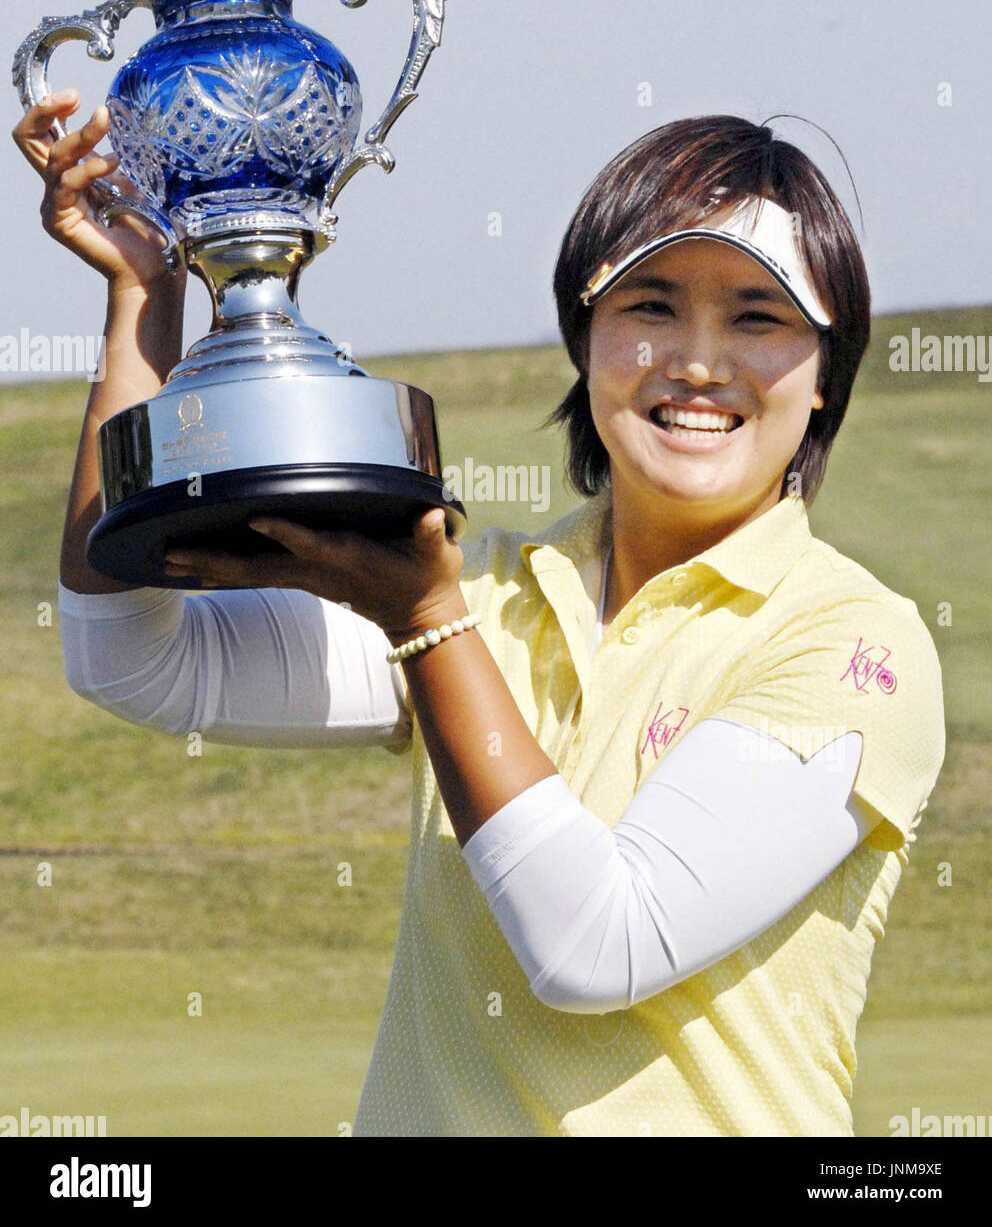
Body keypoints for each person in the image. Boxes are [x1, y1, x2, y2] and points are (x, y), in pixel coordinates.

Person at [14, 93, 945, 1136]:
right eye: (648, 304)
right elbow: (133, 659)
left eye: (757, 315)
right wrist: (147, 302)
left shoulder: (853, 643)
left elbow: (598, 943)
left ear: (825, 373)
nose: (695, 360)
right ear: (583, 335)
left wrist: (423, 619)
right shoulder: (491, 595)